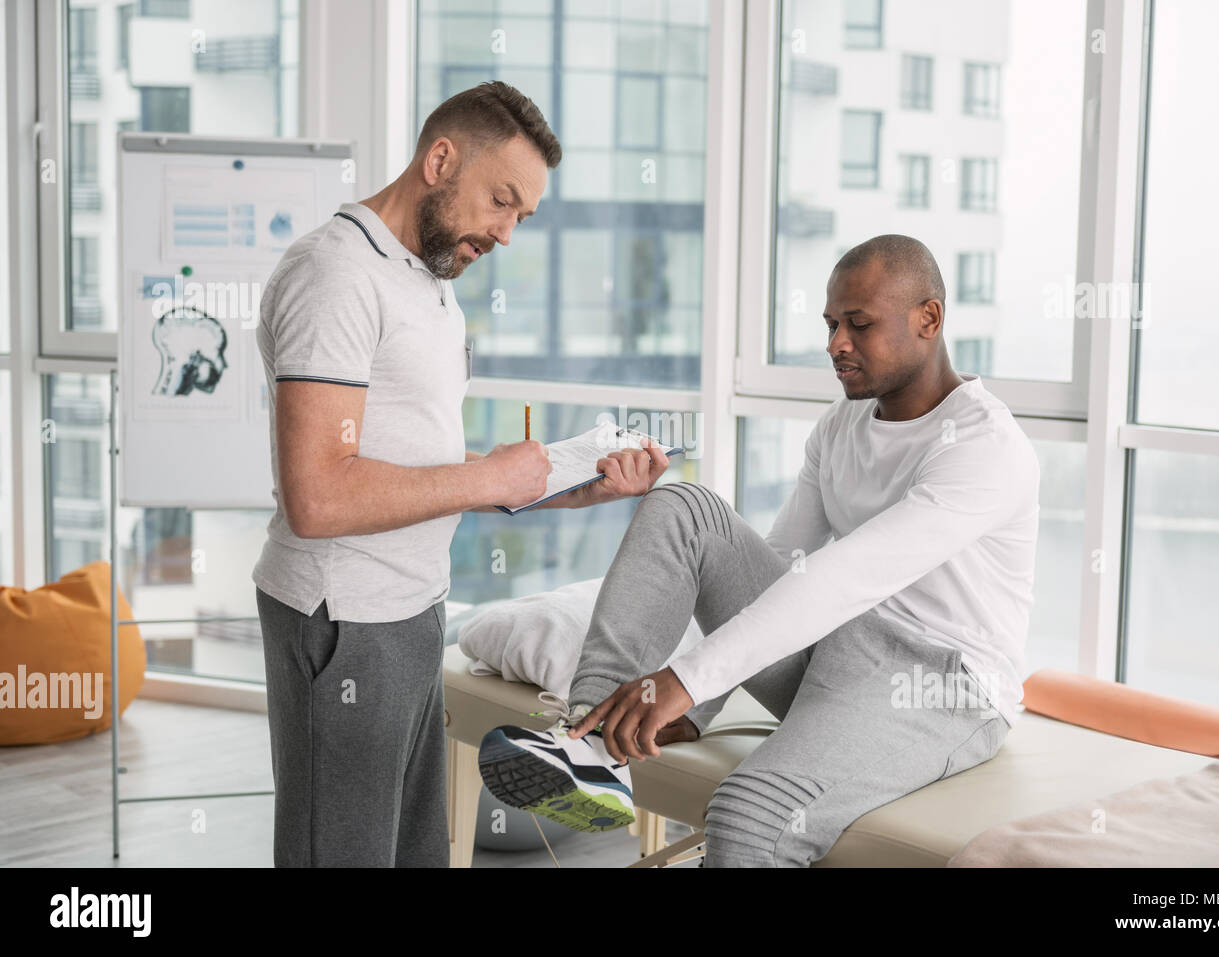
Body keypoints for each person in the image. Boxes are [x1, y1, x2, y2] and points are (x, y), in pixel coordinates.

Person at [478, 234, 1041, 866]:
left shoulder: (984, 447)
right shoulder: (841, 426)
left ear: (928, 318)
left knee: (748, 814)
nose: (836, 344)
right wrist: (704, 704)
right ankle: (586, 743)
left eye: (859, 325)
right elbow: (781, 564)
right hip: (838, 648)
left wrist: (686, 682)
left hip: (941, 684)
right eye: (830, 324)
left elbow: (842, 578)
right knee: (686, 507)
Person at [251, 81, 671, 867]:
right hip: (343, 619)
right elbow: (318, 493)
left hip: (414, 611)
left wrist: (564, 484)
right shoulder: (336, 274)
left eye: (523, 216)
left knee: (416, 853)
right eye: (501, 201)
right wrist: (491, 478)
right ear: (440, 159)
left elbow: (422, 471)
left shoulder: (432, 283)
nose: (506, 233)